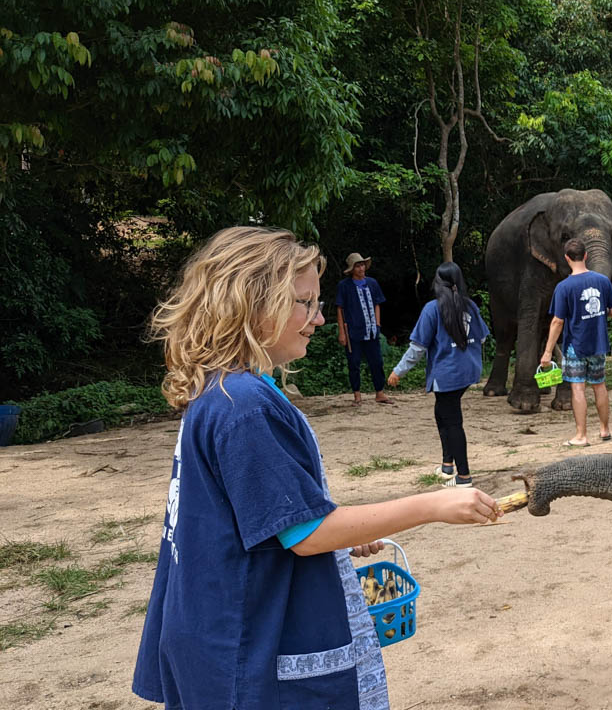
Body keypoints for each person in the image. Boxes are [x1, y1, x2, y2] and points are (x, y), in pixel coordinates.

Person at [134, 227, 502, 710]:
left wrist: (340, 534)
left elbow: (265, 519)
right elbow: (305, 534)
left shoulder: (221, 390)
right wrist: (432, 504)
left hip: (213, 637)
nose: (320, 319)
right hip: (251, 656)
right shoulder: (245, 407)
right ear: (254, 306)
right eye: (305, 303)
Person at [387, 262, 489, 488]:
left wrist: (398, 371)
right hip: (468, 371)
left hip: (448, 374)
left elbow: (418, 348)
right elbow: (482, 338)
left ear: (437, 283)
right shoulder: (470, 306)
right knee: (442, 412)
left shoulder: (432, 309)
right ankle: (447, 465)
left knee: (452, 422)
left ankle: (463, 477)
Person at [541, 238, 612, 447]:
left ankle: (581, 435)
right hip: (598, 343)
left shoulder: (563, 287)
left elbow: (558, 321)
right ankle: (605, 430)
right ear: (586, 255)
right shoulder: (602, 281)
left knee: (578, 389)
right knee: (599, 386)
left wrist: (548, 352)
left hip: (575, 346)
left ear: (567, 258)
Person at [335, 252, 393, 406]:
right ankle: (357, 395)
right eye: (357, 266)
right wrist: (342, 332)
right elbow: (340, 309)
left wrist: (378, 324)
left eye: (362, 265)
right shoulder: (344, 286)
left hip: (372, 330)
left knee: (377, 362)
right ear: (352, 269)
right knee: (354, 363)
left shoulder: (372, 283)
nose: (361, 268)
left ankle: (379, 393)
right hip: (353, 331)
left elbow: (377, 304)